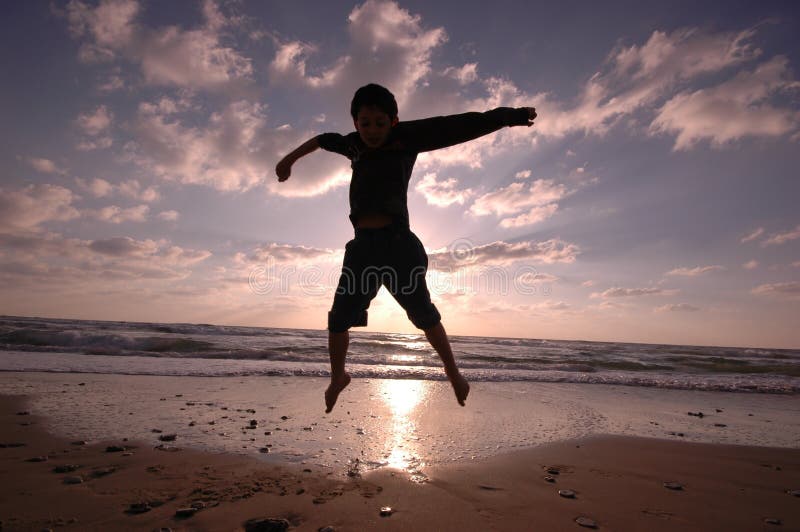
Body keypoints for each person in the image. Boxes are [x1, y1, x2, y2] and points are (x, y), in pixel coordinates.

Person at [275, 83, 537, 413]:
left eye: (380, 123)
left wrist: (509, 117)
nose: (372, 131)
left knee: (423, 315)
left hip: (399, 247)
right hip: (362, 250)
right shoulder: (353, 144)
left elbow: (459, 125)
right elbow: (322, 140)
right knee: (339, 318)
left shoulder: (408, 137)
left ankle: (453, 373)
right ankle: (338, 376)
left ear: (393, 121)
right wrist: (287, 161)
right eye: (365, 123)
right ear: (356, 122)